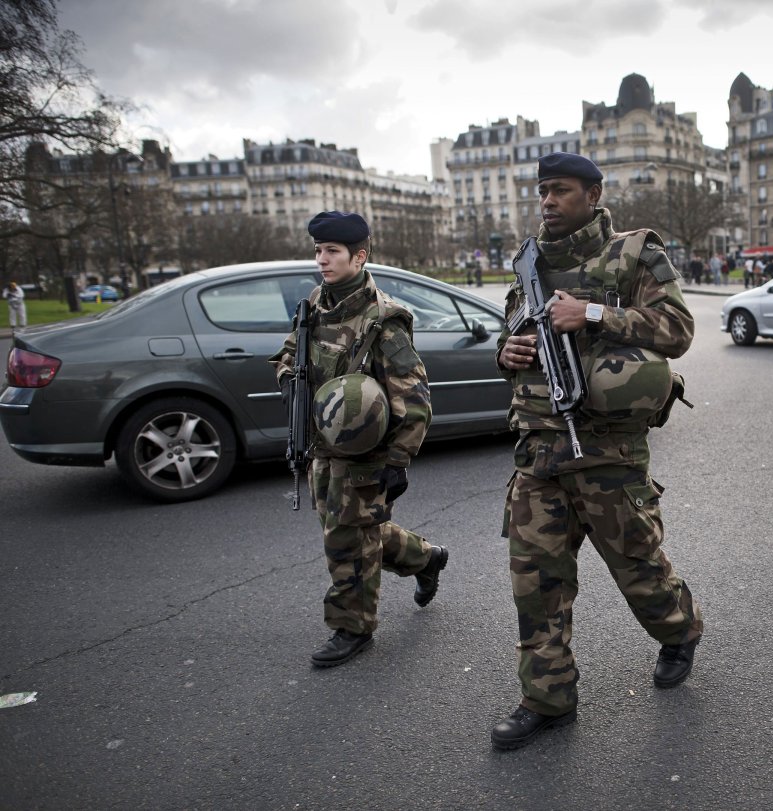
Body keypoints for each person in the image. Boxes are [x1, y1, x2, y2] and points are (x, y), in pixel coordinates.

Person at [491, 152, 703, 750]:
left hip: (608, 452)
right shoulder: (529, 266)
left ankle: (679, 631)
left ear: (593, 193)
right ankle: (548, 697)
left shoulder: (635, 254)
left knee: (638, 567)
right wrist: (504, 355)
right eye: (541, 192)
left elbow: (677, 332)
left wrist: (590, 312)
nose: (547, 202)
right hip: (538, 453)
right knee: (537, 585)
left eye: (559, 191)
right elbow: (517, 343)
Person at [269, 211, 449, 668]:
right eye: (318, 251)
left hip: (364, 453)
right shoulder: (315, 302)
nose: (322, 260)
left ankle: (352, 627)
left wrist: (399, 459)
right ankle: (426, 559)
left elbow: (415, 397)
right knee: (356, 527)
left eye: (332, 251)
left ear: (360, 256)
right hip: (322, 447)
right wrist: (289, 375)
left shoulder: (383, 320)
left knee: (344, 538)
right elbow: (289, 352)